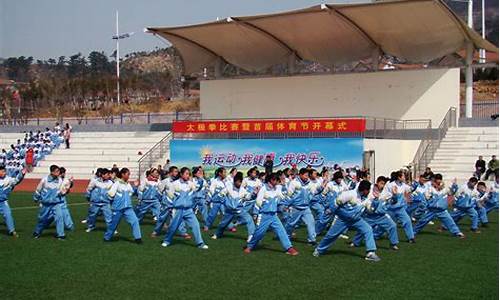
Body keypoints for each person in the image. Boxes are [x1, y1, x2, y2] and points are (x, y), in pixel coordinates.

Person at [313, 180, 381, 262]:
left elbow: (370, 210)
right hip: (343, 220)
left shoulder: (367, 198)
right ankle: (319, 250)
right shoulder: (350, 194)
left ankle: (370, 253)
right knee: (331, 235)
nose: (370, 191)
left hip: (356, 220)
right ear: (363, 189)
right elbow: (337, 202)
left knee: (368, 229)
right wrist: (330, 211)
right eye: (368, 189)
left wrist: (376, 200)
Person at [244, 173, 299, 255]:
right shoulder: (263, 188)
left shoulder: (277, 189)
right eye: (275, 180)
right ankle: (250, 246)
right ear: (270, 180)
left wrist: (286, 205)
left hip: (274, 215)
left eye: (277, 180)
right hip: (264, 215)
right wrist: (255, 214)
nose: (277, 181)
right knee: (259, 233)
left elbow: (281, 198)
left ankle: (289, 248)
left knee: (281, 231)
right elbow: (258, 202)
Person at [161, 167, 208, 249]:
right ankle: (167, 241)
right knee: (173, 226)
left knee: (196, 225)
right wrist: (172, 207)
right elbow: (169, 196)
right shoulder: (174, 184)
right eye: (186, 174)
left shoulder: (190, 184)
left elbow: (197, 189)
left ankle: (200, 243)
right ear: (181, 174)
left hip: (188, 210)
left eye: (189, 174)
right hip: (178, 210)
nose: (188, 175)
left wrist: (200, 179)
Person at [351, 176, 399, 251]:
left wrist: (395, 195)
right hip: (369, 215)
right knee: (363, 229)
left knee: (392, 226)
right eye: (381, 183)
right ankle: (355, 242)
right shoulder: (369, 190)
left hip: (381, 216)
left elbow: (394, 201)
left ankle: (393, 244)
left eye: (384, 183)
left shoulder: (387, 192)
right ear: (377, 182)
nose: (382, 185)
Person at [211, 172, 256, 242]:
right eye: (238, 182)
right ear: (234, 181)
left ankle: (251, 236)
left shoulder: (243, 190)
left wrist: (254, 193)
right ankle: (217, 234)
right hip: (229, 211)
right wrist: (223, 201)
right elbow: (221, 194)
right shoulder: (229, 188)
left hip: (239, 210)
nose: (239, 183)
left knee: (249, 219)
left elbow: (249, 197)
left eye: (241, 182)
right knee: (223, 224)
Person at [104, 168, 142, 244]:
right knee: (113, 225)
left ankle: (138, 238)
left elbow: (132, 192)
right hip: (117, 209)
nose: (129, 176)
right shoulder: (116, 183)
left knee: (135, 221)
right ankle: (107, 237)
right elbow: (110, 194)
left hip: (128, 208)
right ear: (123, 174)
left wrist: (135, 186)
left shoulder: (127, 184)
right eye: (128, 174)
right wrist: (112, 203)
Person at [284, 168, 319, 245]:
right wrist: (286, 205)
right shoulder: (294, 183)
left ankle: (312, 240)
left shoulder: (310, 183)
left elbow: (313, 192)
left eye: (307, 175)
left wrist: (321, 188)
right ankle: (286, 237)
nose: (307, 177)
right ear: (300, 175)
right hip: (295, 208)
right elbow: (289, 195)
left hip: (306, 208)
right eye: (305, 175)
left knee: (311, 222)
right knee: (291, 224)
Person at [33, 165, 68, 239]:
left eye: (59, 171)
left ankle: (61, 235)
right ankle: (37, 232)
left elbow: (61, 191)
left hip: (56, 203)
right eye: (57, 171)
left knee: (59, 218)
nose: (59, 173)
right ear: (52, 172)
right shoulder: (44, 180)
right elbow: (38, 190)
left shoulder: (60, 180)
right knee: (42, 219)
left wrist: (65, 190)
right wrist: (36, 198)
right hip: (45, 204)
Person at [380, 171, 415, 243]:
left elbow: (410, 189)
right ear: (399, 177)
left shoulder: (403, 185)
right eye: (403, 176)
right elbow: (384, 195)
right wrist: (393, 196)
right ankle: (375, 235)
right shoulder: (390, 185)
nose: (404, 178)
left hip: (400, 209)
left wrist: (415, 184)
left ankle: (411, 238)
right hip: (390, 209)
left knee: (407, 221)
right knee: (386, 224)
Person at [0, 165, 26, 237]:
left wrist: (22, 174)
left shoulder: (9, 180)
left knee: (8, 214)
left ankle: (12, 231)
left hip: (3, 202)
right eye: (2, 171)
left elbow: (16, 180)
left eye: (4, 171)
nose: (4, 172)